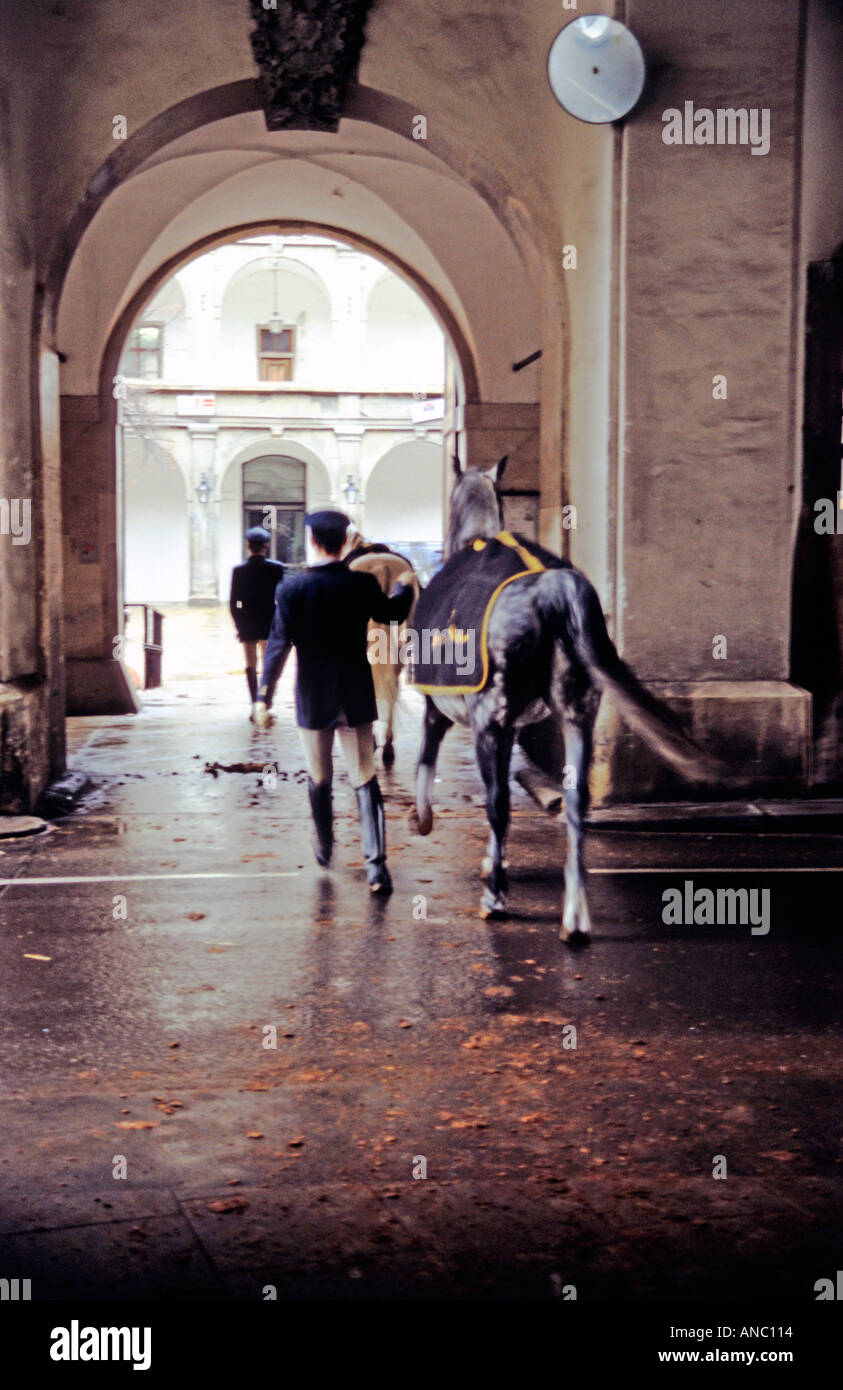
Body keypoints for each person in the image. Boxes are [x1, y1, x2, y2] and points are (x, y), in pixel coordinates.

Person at [254, 509, 414, 895]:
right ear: (345, 542)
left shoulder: (290, 589)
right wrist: (405, 586)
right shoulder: (361, 584)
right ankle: (377, 868)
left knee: (319, 776)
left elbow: (277, 647)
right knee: (364, 775)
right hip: (355, 693)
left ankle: (325, 847)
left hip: (312, 697)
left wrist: (263, 697)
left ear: (311, 542)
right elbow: (392, 614)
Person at [229, 527, 285, 719]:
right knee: (268, 663)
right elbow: (282, 596)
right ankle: (265, 702)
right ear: (266, 546)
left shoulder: (239, 571)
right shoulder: (276, 568)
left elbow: (234, 602)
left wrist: (239, 624)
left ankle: (254, 703)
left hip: (247, 620)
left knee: (250, 664)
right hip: (269, 619)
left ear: (248, 546)